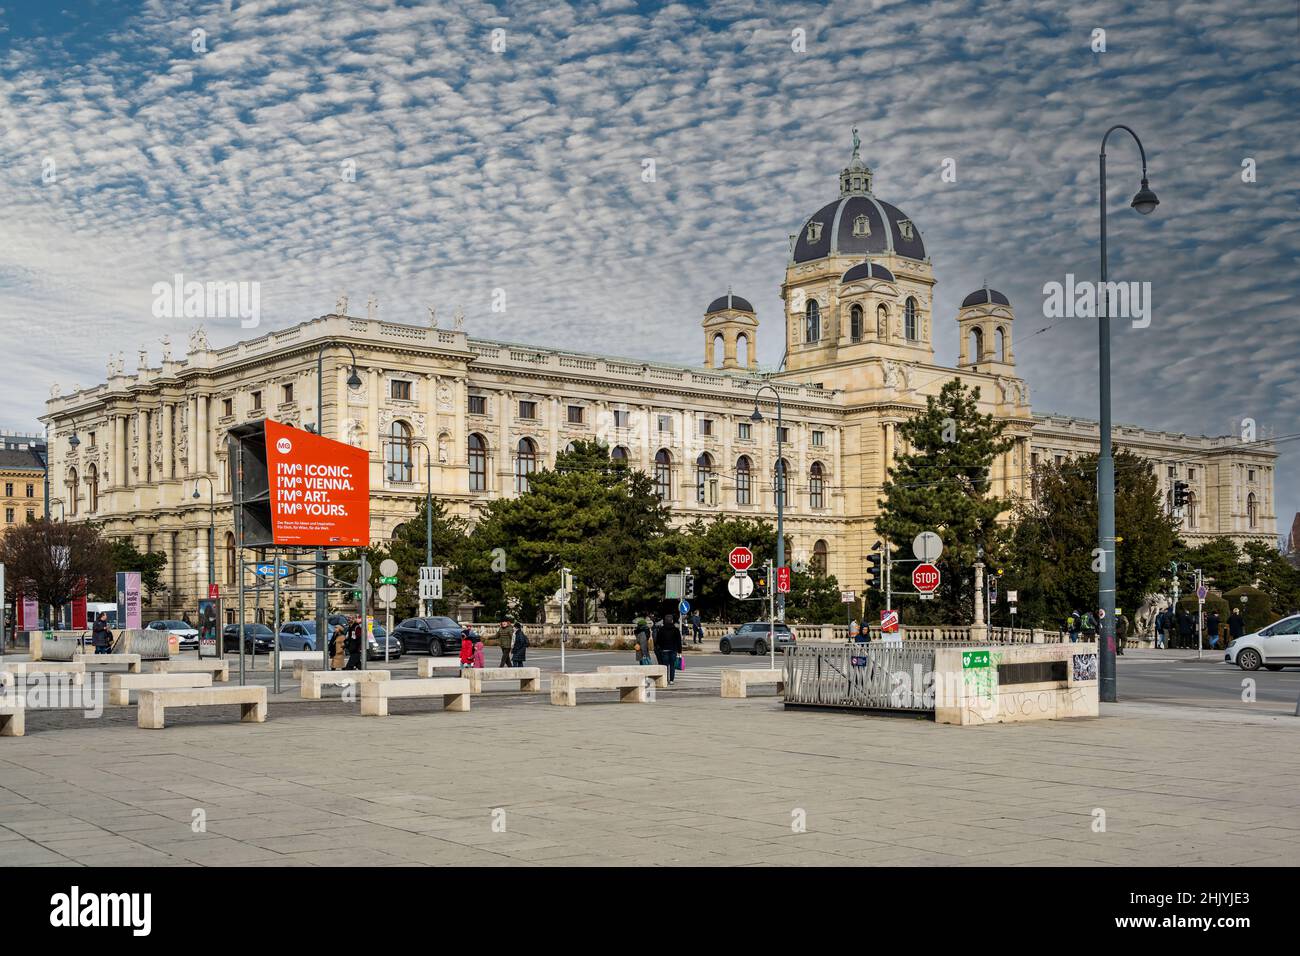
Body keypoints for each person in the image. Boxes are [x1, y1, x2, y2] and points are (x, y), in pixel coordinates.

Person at [656, 612, 682, 685]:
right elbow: (678, 641)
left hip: (664, 649)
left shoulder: (661, 629)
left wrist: (660, 647)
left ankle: (665, 679)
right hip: (673, 649)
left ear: (665, 620)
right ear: (672, 621)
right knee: (672, 665)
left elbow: (658, 640)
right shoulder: (676, 630)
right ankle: (671, 680)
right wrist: (679, 650)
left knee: (665, 665)